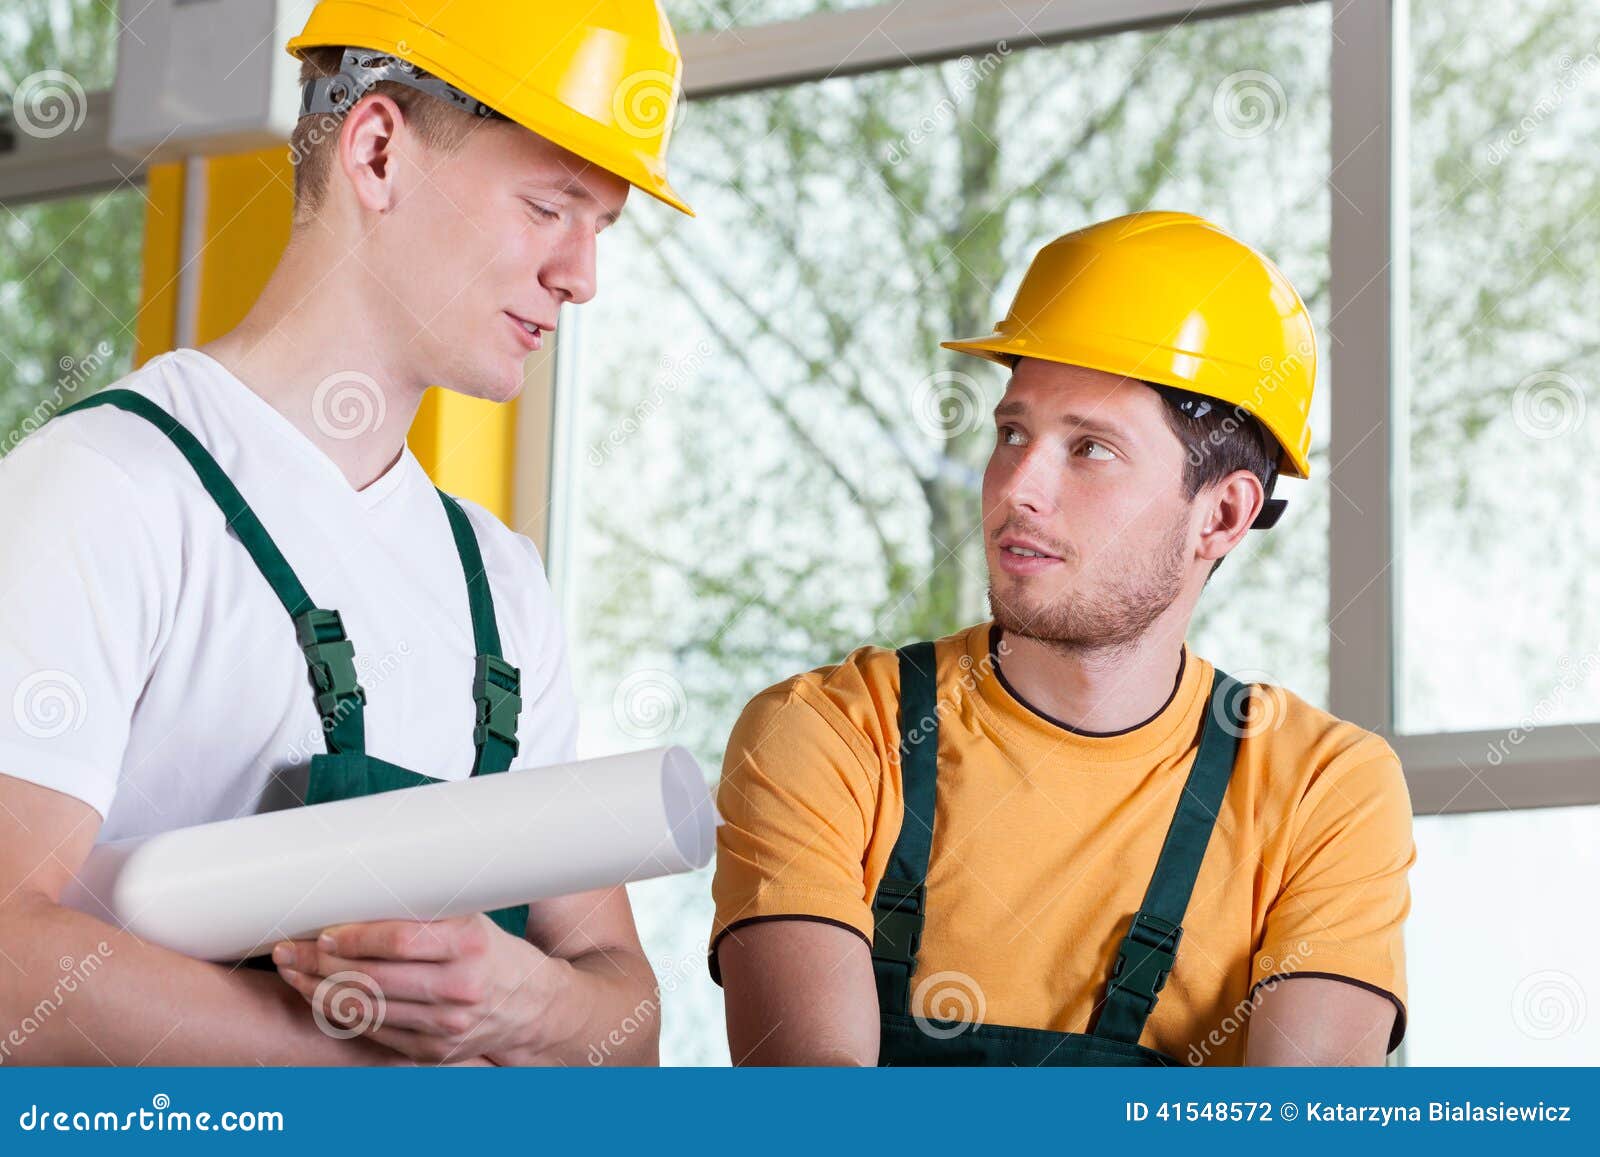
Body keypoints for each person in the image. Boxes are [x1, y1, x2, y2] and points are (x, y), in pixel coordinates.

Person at [0, 0, 691, 1066]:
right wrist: (377, 1078)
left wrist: (522, 1005)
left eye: (600, 228)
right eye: (551, 207)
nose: (582, 276)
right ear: (376, 153)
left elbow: (627, 1015)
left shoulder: (497, 584)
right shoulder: (107, 490)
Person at [710, 211, 1415, 1067]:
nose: (1019, 487)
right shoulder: (832, 734)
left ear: (1222, 514)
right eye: (1013, 432)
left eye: (1089, 448)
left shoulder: (1321, 790)